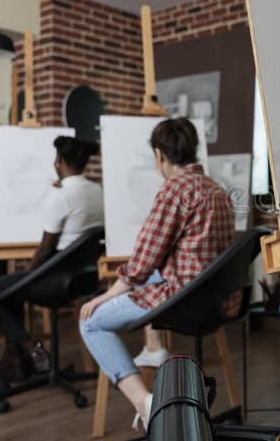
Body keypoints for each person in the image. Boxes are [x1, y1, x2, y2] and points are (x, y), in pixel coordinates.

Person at [79, 117, 235, 432]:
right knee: (151, 279)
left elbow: (142, 262)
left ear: (160, 155)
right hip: (216, 299)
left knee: (91, 322)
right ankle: (154, 350)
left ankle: (145, 403)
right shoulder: (217, 189)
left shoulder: (176, 189)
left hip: (184, 300)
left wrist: (107, 294)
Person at [0, 136, 103, 382]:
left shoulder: (61, 197)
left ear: (59, 161)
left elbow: (44, 250)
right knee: (10, 293)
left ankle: (32, 348)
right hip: (82, 280)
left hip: (54, 281)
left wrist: (27, 276)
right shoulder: (98, 191)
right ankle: (17, 363)